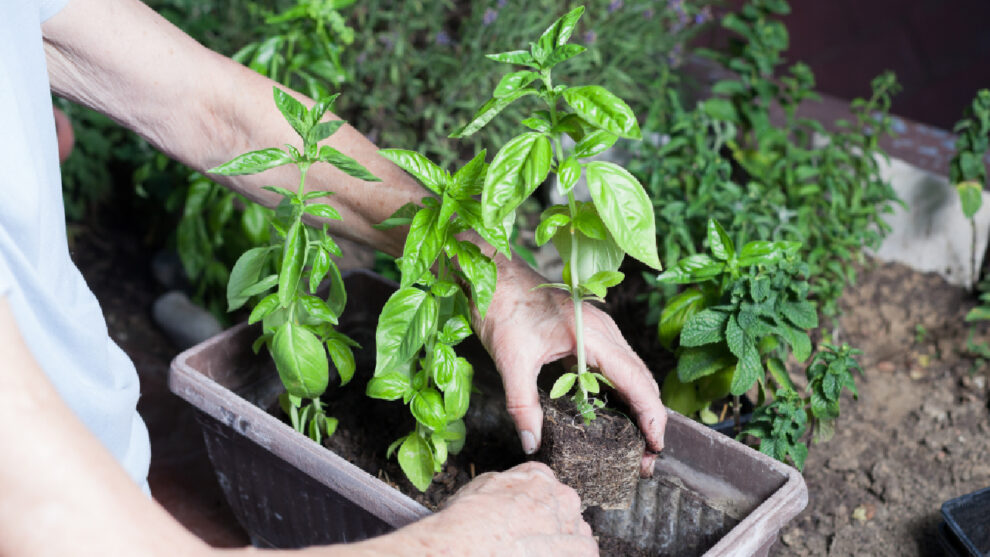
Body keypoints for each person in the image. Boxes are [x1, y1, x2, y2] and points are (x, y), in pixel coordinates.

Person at [0, 0, 668, 555]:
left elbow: (210, 109)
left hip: (107, 478)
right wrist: (458, 543)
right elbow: (59, 524)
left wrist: (498, 279)